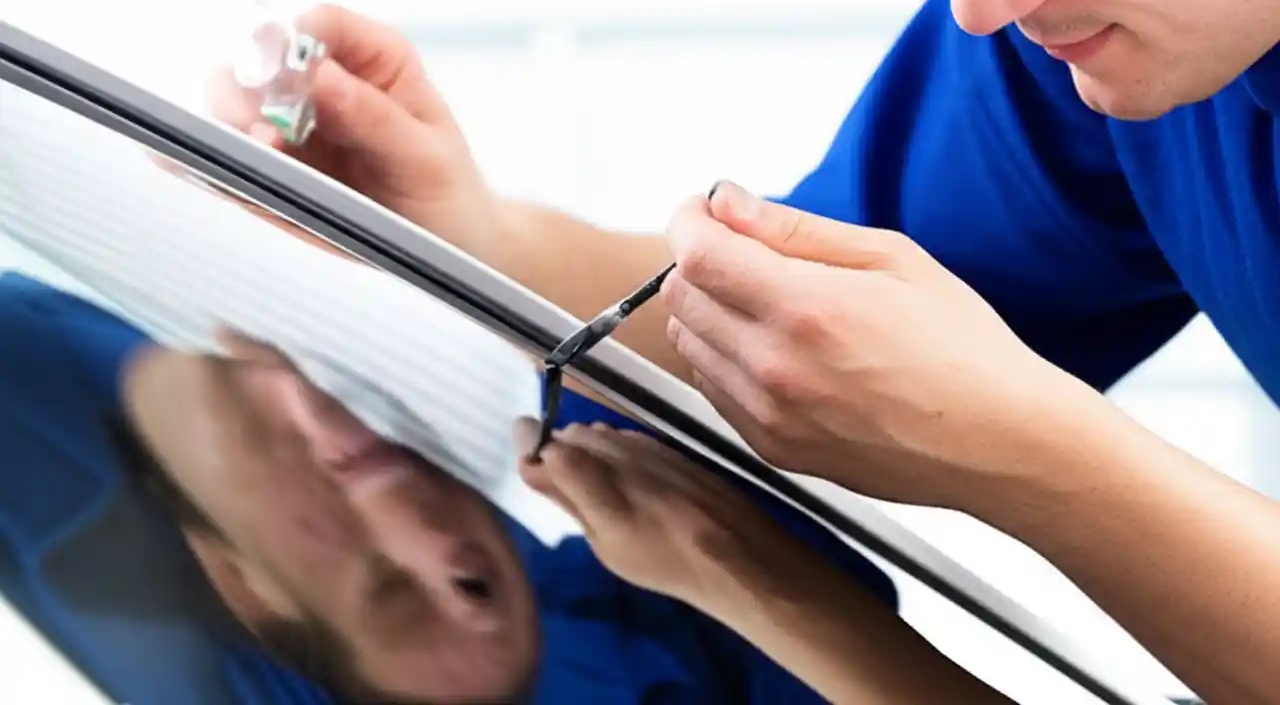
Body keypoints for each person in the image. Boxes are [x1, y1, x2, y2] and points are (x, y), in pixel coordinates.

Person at [209, 0, 1280, 701]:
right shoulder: (1087, 54)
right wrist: (475, 236)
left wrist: (1037, 465)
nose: (981, 7)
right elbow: (791, 342)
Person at [0, 269, 989, 704]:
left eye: (395, 588)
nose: (429, 542)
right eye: (468, 585)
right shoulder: (677, 566)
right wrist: (736, 576)